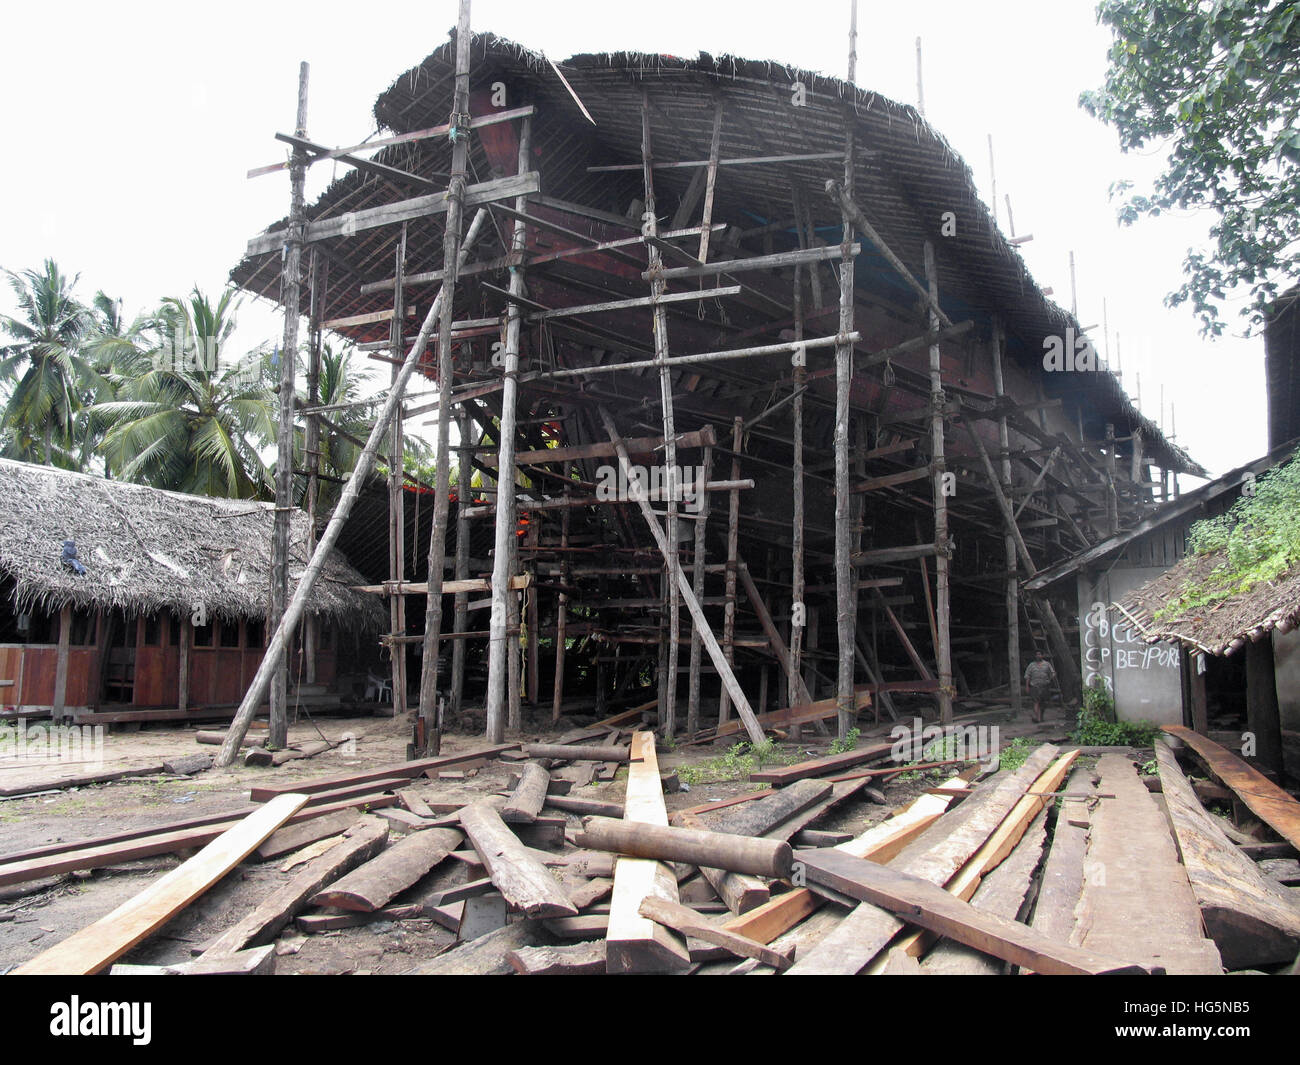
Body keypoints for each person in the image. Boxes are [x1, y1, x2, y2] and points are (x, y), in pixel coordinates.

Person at [1023, 651, 1057, 723]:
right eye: (1037, 655)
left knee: (1043, 703)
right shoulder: (1031, 665)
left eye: (1040, 654)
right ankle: (1037, 718)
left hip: (1045, 686)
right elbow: (1027, 676)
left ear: (1042, 655)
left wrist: (1050, 678)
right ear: (1035, 656)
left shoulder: (1047, 664)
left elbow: (1053, 673)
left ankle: (1041, 717)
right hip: (1034, 686)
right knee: (1036, 702)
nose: (1038, 656)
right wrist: (1027, 686)